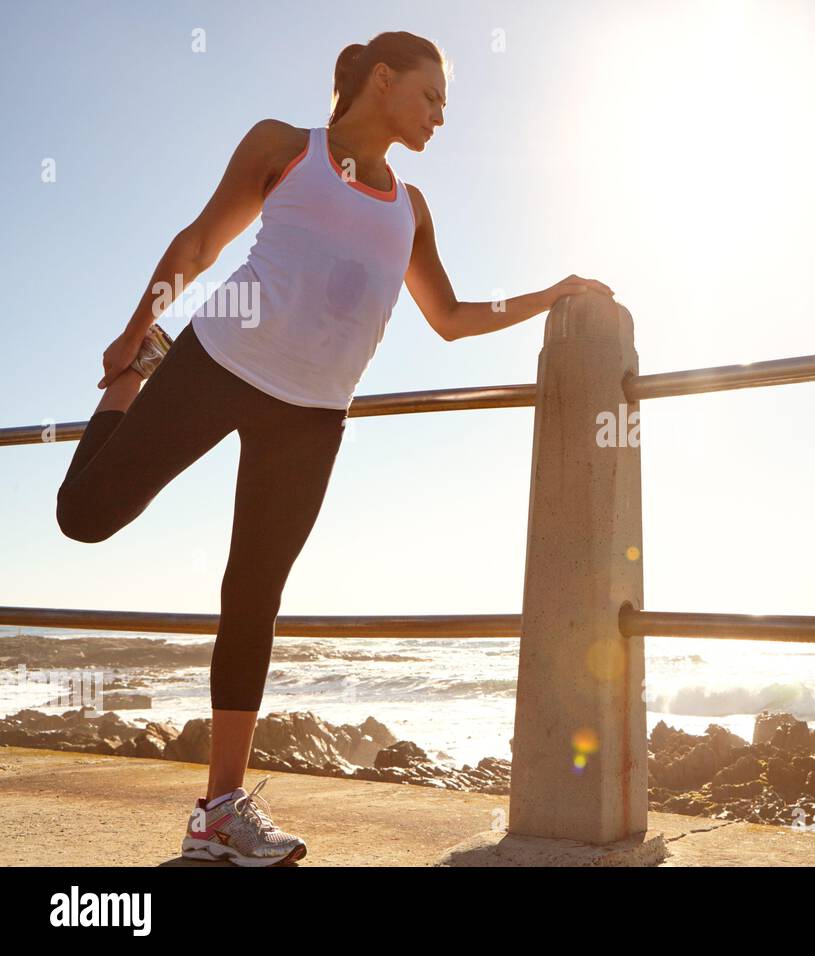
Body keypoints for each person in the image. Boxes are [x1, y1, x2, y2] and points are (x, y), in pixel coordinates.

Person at [55, 30, 614, 866]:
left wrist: (553, 294)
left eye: (444, 105)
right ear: (381, 80)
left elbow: (452, 319)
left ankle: (217, 814)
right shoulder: (286, 148)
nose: (439, 116)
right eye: (430, 96)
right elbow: (203, 244)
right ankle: (136, 381)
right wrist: (138, 331)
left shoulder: (413, 207)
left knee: (253, 598)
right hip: (216, 362)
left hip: (313, 414)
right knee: (85, 519)